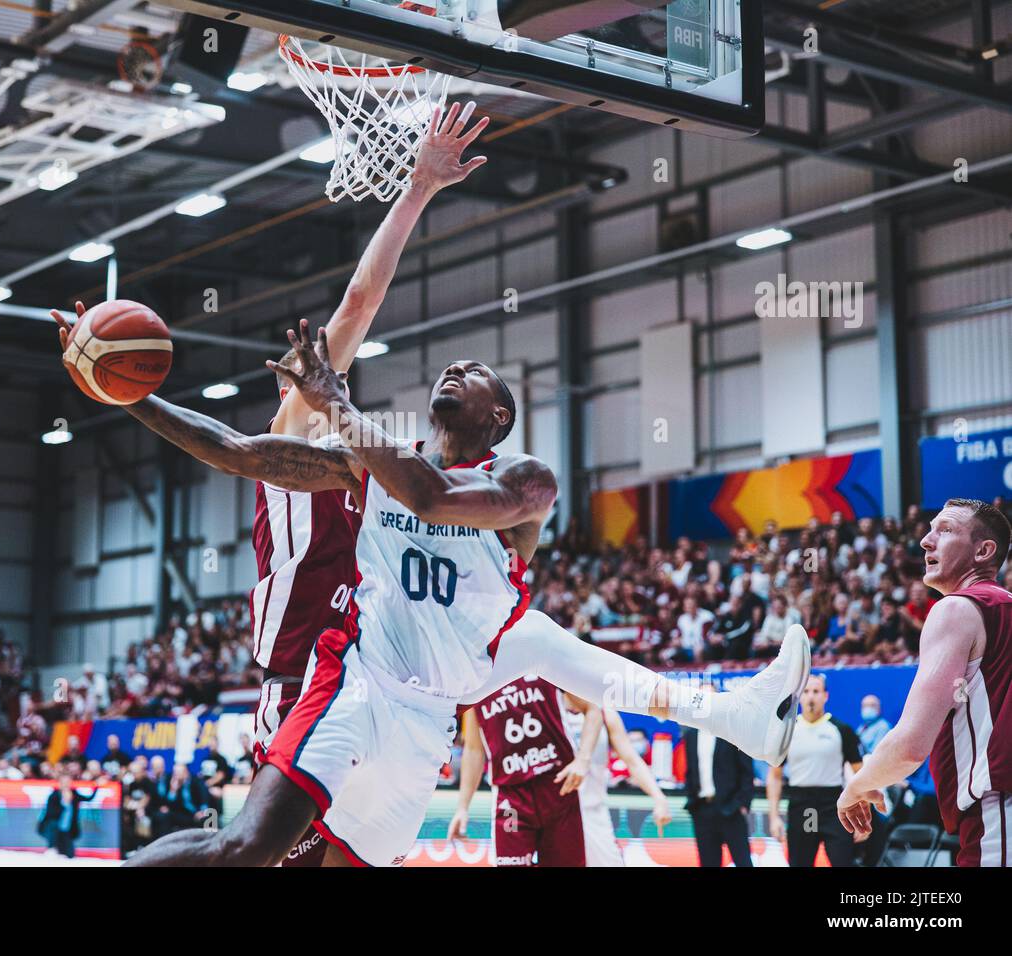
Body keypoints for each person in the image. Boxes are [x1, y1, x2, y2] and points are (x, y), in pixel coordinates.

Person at [91, 307, 808, 867]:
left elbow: (432, 497)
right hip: (362, 681)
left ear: (498, 415)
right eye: (455, 364)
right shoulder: (365, 465)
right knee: (248, 849)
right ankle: (734, 715)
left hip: (437, 707)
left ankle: (738, 715)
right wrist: (122, 393)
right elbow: (234, 451)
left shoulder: (525, 480)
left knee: (538, 638)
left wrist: (338, 403)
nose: (458, 367)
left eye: (478, 371)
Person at [63, 102, 492, 866]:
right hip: (306, 674)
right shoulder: (303, 440)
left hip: (379, 694)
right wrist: (420, 187)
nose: (328, 375)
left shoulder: (415, 479)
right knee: (249, 852)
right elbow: (355, 308)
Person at [838, 498, 1012, 867]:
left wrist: (856, 785)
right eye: (930, 529)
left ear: (983, 551)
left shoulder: (957, 608)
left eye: (946, 530)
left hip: (1000, 814)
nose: (926, 541)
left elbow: (911, 745)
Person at [448, 677, 598, 866]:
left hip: (558, 786)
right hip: (511, 798)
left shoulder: (542, 661)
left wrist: (583, 760)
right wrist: (462, 807)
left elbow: (592, 708)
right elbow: (473, 749)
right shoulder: (478, 680)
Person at [561, 696, 672, 866]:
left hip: (593, 813)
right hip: (556, 815)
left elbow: (632, 760)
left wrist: (659, 798)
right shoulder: (548, 706)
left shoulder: (606, 713)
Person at [767, 674, 863, 866]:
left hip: (834, 805)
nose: (811, 696)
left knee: (843, 861)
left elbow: (860, 774)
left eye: (816, 691)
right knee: (801, 862)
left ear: (825, 696)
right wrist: (774, 816)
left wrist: (861, 814)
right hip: (804, 806)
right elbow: (775, 776)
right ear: (800, 696)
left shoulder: (841, 730)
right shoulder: (788, 731)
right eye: (807, 691)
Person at [684, 685, 756, 867]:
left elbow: (747, 772)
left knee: (743, 862)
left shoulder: (733, 732)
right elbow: (691, 772)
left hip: (731, 809)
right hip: (702, 810)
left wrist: (743, 805)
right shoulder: (691, 735)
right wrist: (693, 801)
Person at [39, 773, 97, 858]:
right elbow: (50, 814)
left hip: (67, 831)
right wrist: (64, 804)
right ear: (60, 783)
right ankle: (52, 847)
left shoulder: (74, 794)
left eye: (68, 782)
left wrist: (96, 786)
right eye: (64, 782)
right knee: (53, 850)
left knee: (70, 855)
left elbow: (89, 798)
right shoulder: (54, 796)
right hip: (55, 831)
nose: (66, 784)